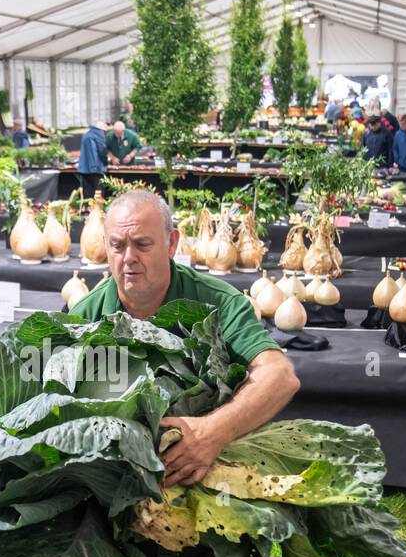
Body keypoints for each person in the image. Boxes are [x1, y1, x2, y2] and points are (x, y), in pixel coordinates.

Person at [70, 190, 300, 486]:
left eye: (142, 244)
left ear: (172, 243)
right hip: (112, 479)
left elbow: (280, 376)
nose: (129, 258)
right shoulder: (85, 314)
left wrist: (214, 431)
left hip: (203, 474)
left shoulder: (219, 303)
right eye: (117, 246)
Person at [77, 121, 109, 196]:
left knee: (88, 193)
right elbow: (102, 151)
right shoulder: (99, 134)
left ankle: (88, 207)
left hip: (84, 169)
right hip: (96, 168)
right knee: (99, 192)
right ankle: (98, 207)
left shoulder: (86, 134)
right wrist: (106, 163)